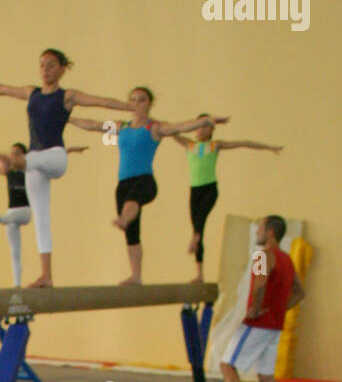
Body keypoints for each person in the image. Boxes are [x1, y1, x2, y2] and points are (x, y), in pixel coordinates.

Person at [0, 49, 132, 287]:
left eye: (51, 65)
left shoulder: (67, 96)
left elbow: (99, 101)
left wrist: (129, 107)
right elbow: (2, 89)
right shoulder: (32, 93)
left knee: (32, 161)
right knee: (41, 217)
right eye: (42, 65)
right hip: (33, 160)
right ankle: (46, 275)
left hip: (55, 157)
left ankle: (14, 161)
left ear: (62, 69)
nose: (45, 70)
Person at [68, 88, 228, 283]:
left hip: (144, 182)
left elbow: (181, 127)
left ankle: (124, 219)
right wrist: (67, 118)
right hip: (123, 183)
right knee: (132, 234)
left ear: (150, 104)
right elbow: (93, 125)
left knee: (130, 204)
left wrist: (205, 121)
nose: (137, 104)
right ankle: (136, 275)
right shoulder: (122, 127)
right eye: (133, 100)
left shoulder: (154, 128)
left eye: (142, 100)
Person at [210, 215, 305, 382]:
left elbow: (260, 282)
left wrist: (254, 308)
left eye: (260, 229)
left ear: (270, 232)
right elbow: (300, 293)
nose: (257, 233)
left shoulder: (263, 255)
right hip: (274, 325)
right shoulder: (286, 259)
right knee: (266, 377)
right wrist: (279, 309)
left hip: (258, 323)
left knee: (227, 365)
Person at [169, 121, 283, 279]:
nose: (201, 130)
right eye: (199, 126)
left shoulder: (215, 145)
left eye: (206, 127)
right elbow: (170, 130)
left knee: (199, 224)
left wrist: (268, 147)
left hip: (209, 189)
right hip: (194, 191)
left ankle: (195, 238)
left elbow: (243, 143)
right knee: (198, 228)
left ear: (212, 130)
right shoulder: (189, 145)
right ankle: (199, 272)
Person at [0, 140, 88, 286]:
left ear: (24, 156)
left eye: (16, 154)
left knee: (10, 218)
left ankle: (0, 218)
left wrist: (70, 150)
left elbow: (49, 159)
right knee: (14, 253)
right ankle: (17, 285)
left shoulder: (28, 168)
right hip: (11, 213)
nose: (12, 156)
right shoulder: (8, 172)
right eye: (11, 154)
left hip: (24, 212)